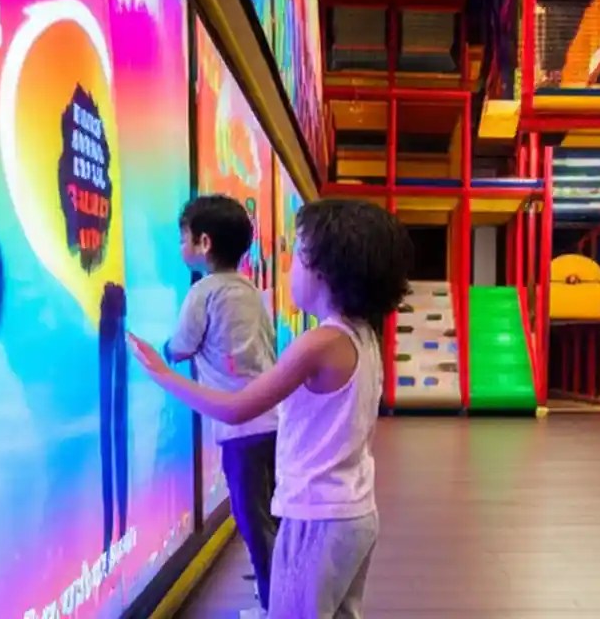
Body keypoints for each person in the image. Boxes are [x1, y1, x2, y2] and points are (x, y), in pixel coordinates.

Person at [130, 198, 412, 619]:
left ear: (325, 271)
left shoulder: (318, 344)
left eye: (297, 256)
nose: (290, 268)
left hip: (316, 518)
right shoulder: (363, 337)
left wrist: (164, 374)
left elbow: (237, 409)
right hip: (355, 512)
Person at [163, 195, 279, 613]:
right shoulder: (250, 289)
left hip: (240, 430)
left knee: (253, 523)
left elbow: (180, 346)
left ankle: (274, 605)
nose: (181, 247)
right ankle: (278, 592)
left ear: (204, 242)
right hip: (273, 423)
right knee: (273, 518)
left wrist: (164, 350)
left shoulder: (203, 293)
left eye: (183, 239)